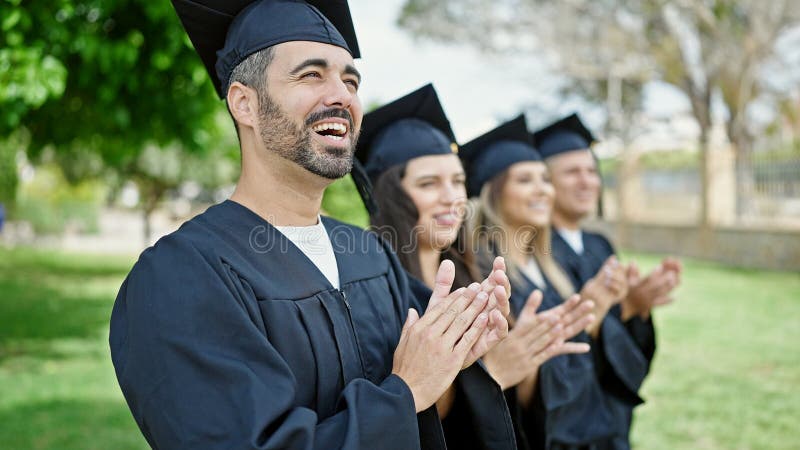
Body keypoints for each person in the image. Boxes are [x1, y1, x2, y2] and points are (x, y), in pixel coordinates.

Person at [109, 1, 511, 448]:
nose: (341, 95)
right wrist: (405, 391)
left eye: (350, 80)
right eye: (311, 75)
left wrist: (454, 362)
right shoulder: (180, 277)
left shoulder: (368, 254)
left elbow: (436, 417)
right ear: (245, 102)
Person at [357, 85, 586, 449]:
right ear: (390, 193)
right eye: (429, 183)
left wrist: (526, 360)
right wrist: (490, 374)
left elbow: (514, 418)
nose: (452, 196)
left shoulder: (476, 275)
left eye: (458, 181)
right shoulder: (367, 291)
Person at [460, 114, 643, 449]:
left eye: (545, 179)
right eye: (526, 180)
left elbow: (588, 366)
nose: (543, 189)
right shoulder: (483, 276)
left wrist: (601, 313)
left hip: (597, 433)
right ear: (494, 193)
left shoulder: (553, 268)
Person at [533, 113, 683, 448]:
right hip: (565, 428)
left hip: (611, 418)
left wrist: (638, 306)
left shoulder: (600, 245)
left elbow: (622, 349)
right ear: (545, 182)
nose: (587, 181)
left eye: (591, 171)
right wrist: (625, 308)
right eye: (572, 172)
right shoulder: (534, 253)